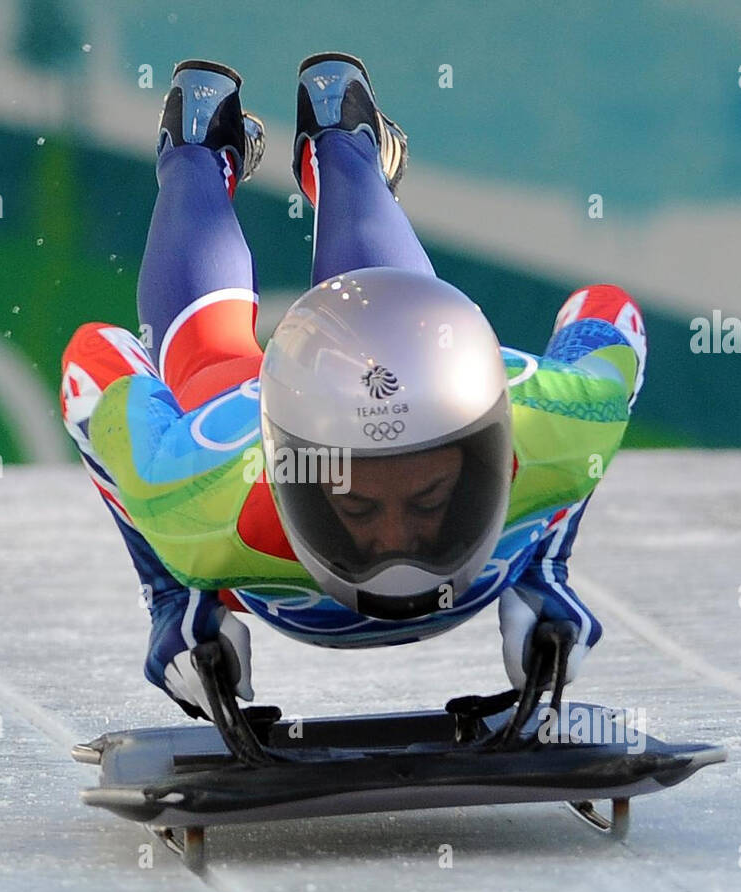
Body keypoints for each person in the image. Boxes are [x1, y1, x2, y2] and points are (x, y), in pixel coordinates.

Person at [60, 54, 647, 720]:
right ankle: (270, 146)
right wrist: (172, 592)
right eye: (358, 506)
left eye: (429, 498)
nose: (395, 539)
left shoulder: (550, 428)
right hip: (244, 414)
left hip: (416, 378)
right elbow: (607, 317)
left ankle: (278, 141)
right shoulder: (203, 491)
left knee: (380, 309)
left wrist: (182, 599)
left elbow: (90, 362)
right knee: (218, 356)